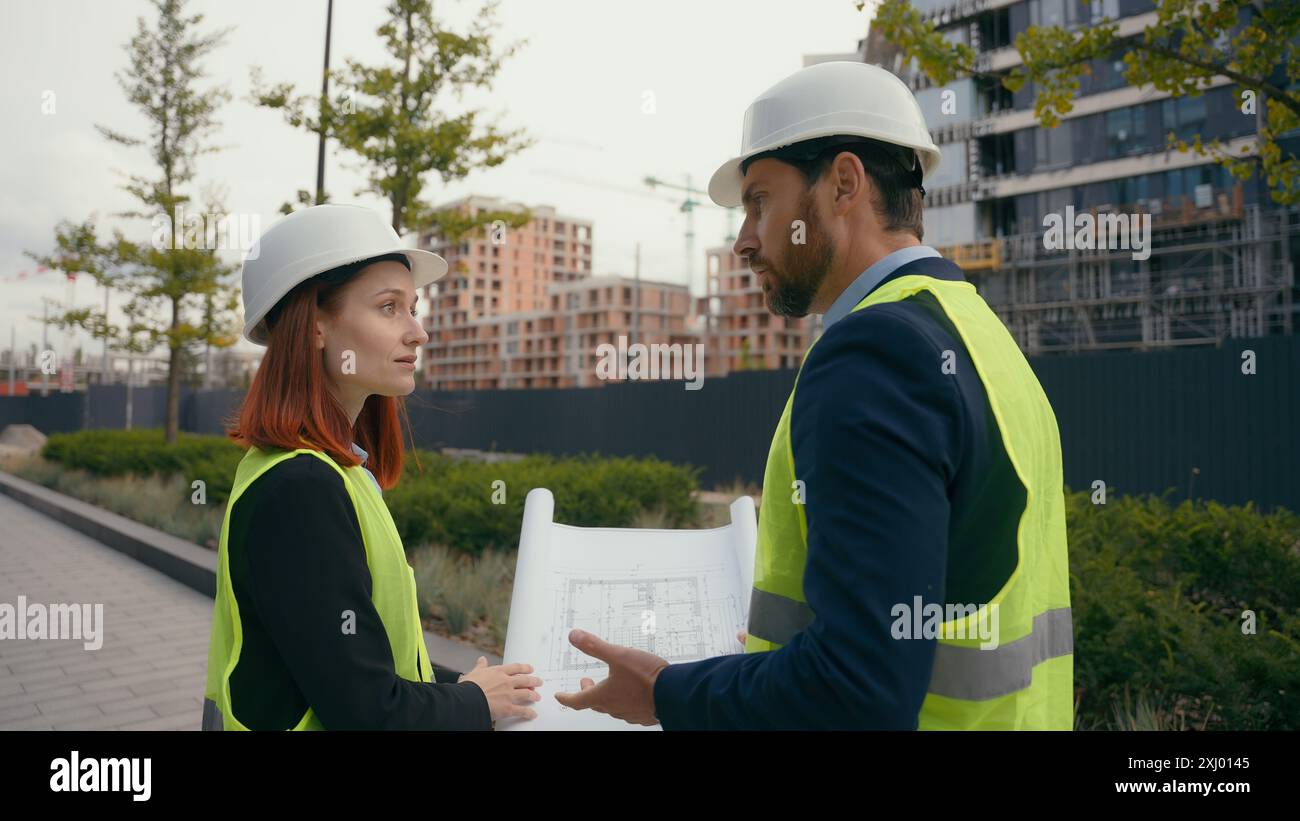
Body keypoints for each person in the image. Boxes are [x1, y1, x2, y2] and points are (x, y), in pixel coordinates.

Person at [555, 61, 1074, 730]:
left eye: (759, 201)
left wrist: (667, 691)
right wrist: (771, 670)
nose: (743, 240)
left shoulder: (875, 356)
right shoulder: (979, 334)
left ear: (844, 183)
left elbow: (858, 689)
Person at [202, 204, 541, 730]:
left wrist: (460, 694)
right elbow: (366, 712)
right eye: (389, 308)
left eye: (413, 307)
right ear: (315, 328)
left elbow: (352, 678)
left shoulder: (326, 472)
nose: (417, 332)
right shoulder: (300, 489)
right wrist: (474, 701)